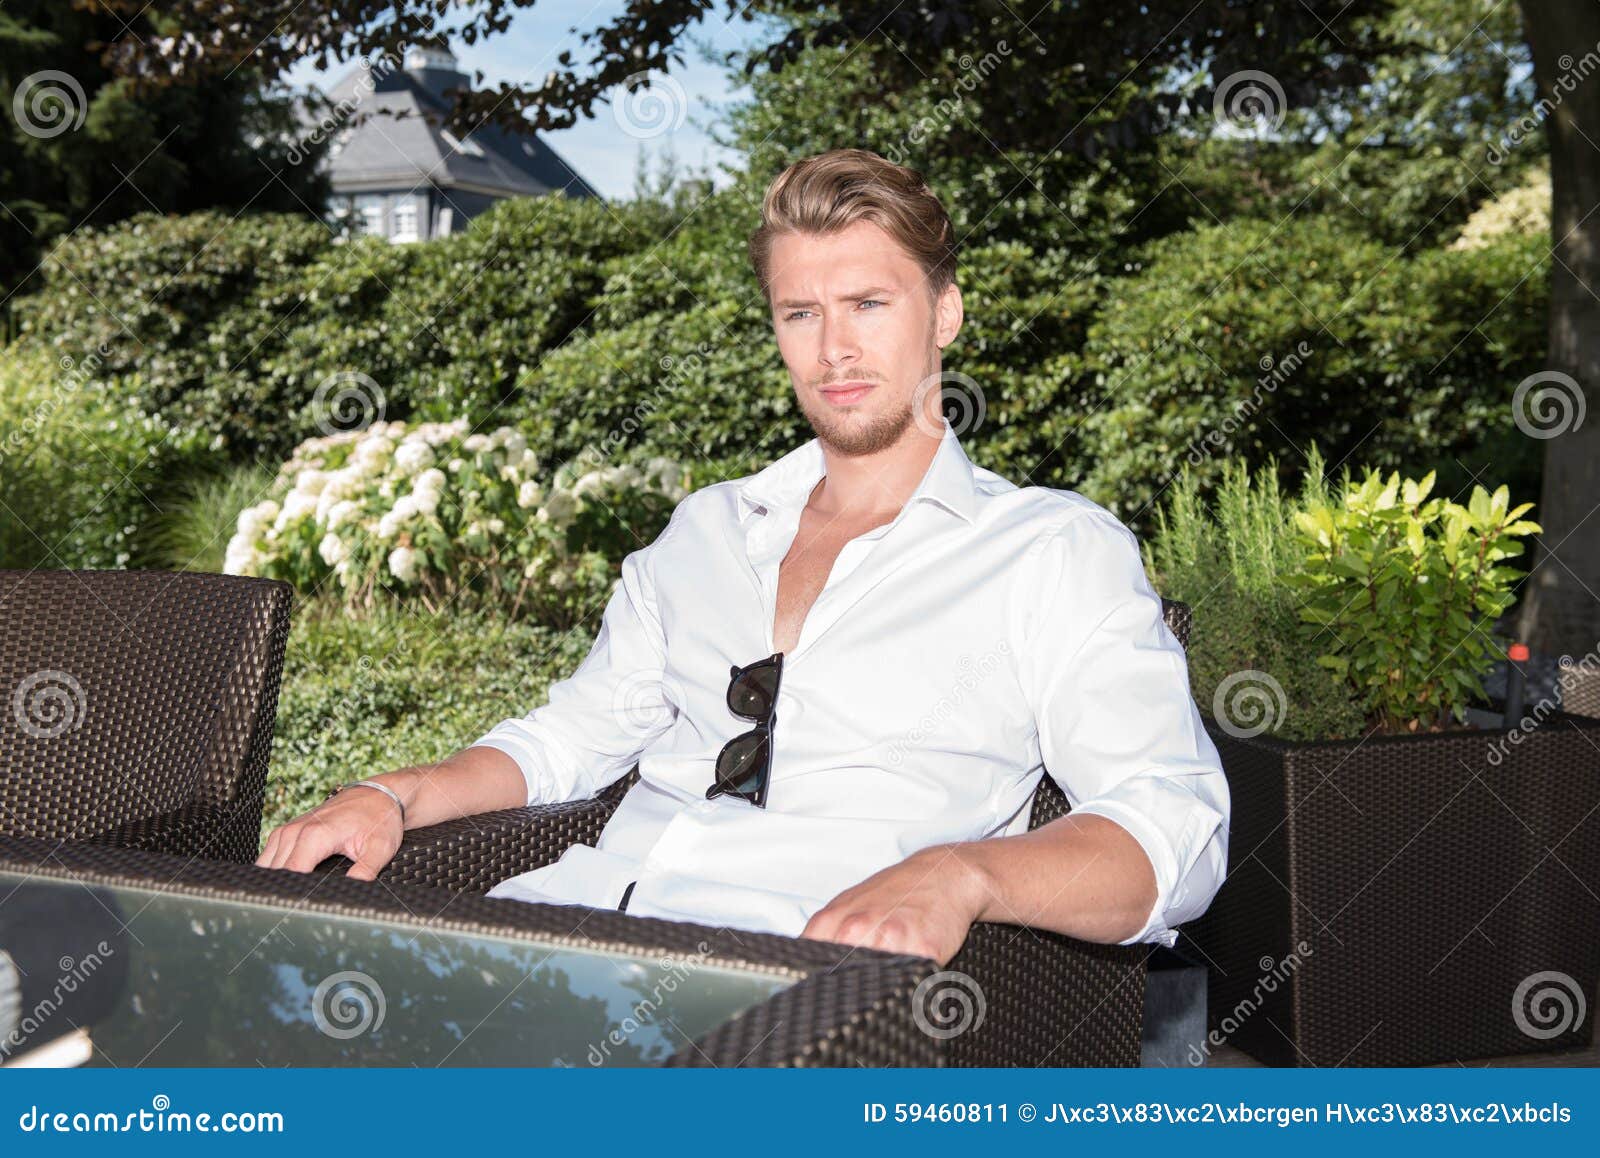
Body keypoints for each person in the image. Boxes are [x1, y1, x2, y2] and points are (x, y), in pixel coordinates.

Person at [257, 148, 1230, 967]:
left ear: (945, 313)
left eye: (868, 303)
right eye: (800, 313)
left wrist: (962, 875)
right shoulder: (706, 531)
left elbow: (1172, 830)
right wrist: (392, 795)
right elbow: (568, 738)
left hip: (797, 995)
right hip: (561, 934)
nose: (833, 349)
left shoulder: (1049, 551)